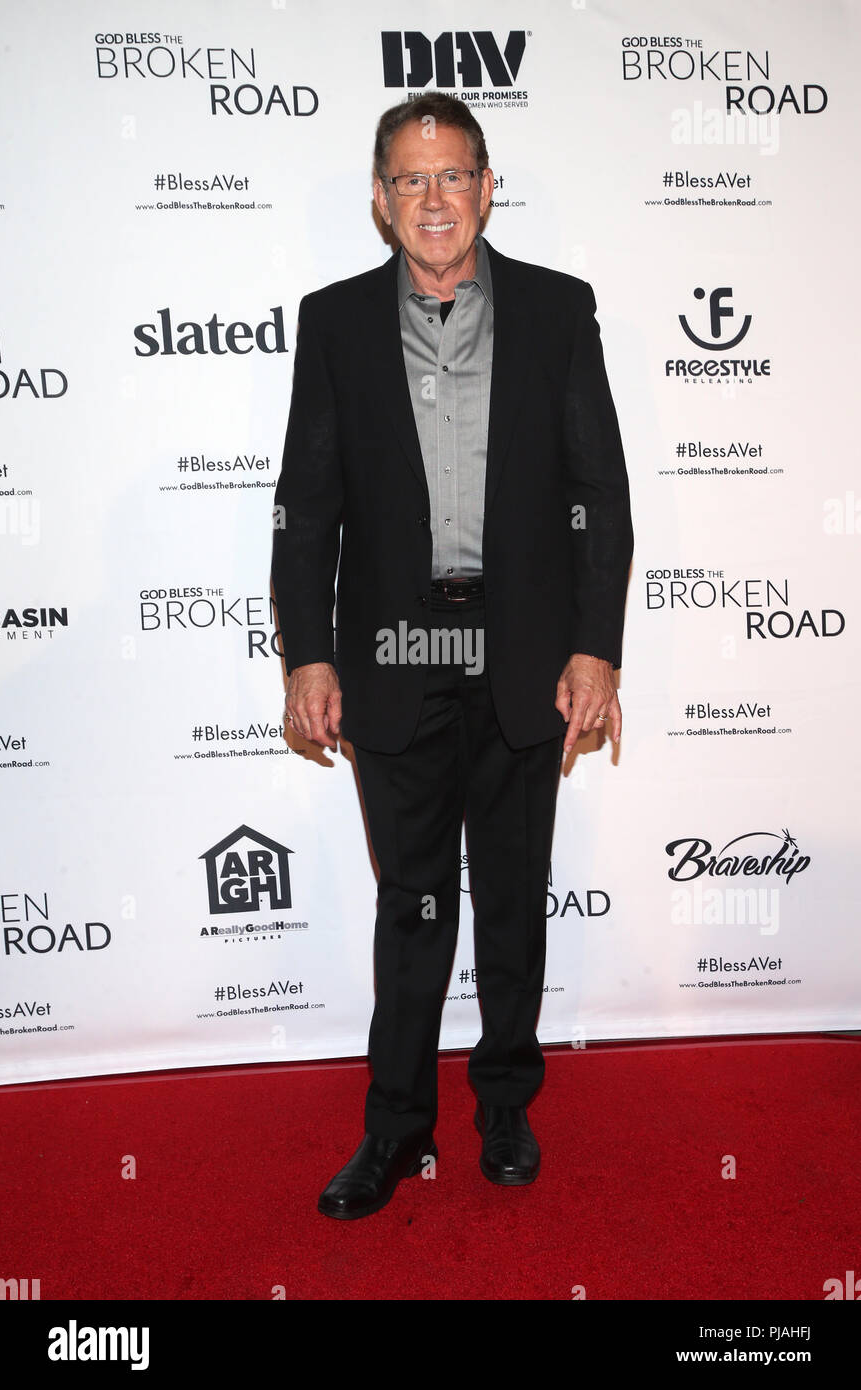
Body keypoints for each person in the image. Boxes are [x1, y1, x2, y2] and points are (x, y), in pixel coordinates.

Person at [271, 93, 633, 1220]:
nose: (434, 200)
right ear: (381, 201)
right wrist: (308, 654)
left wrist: (595, 648)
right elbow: (307, 505)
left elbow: (598, 495)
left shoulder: (556, 309)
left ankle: (507, 1103)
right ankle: (394, 1128)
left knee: (514, 896)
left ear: (486, 185)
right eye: (410, 180)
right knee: (414, 902)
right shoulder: (331, 323)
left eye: (454, 175)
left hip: (521, 648)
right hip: (391, 650)